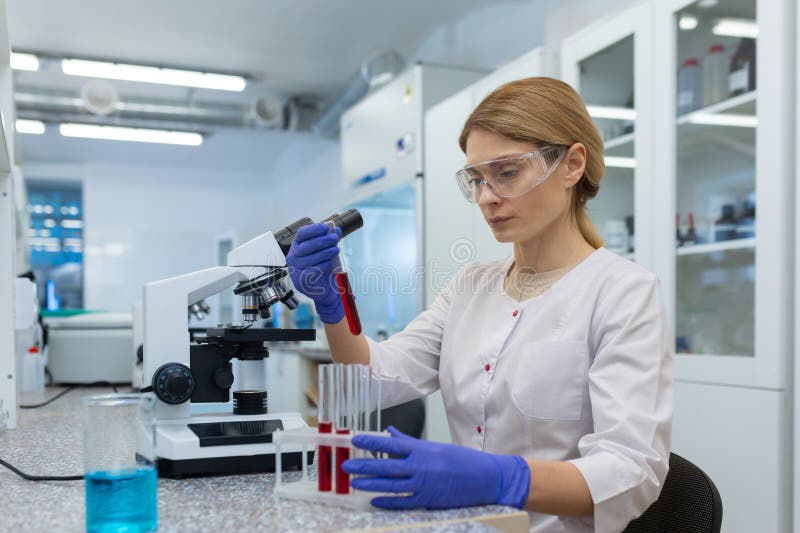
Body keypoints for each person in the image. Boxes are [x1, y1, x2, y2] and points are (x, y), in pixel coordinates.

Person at [286, 77, 672, 533]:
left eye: (507, 173)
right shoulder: (470, 286)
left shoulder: (623, 292)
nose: (487, 197)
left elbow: (630, 473)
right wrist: (334, 302)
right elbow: (374, 381)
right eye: (476, 179)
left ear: (571, 165)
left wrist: (506, 478)